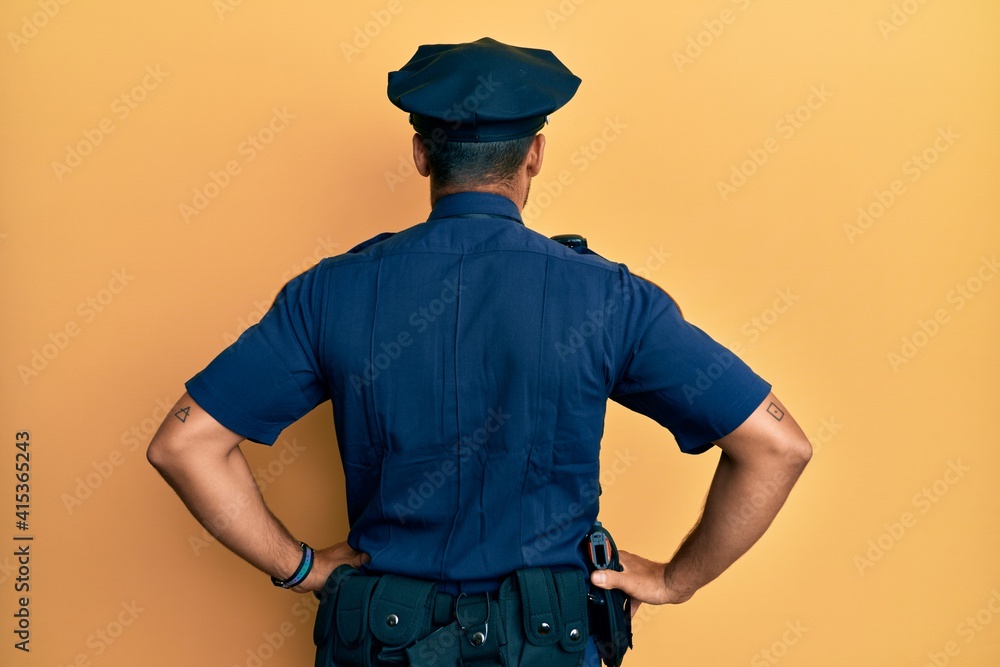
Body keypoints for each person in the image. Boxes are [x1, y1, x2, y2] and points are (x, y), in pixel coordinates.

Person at [147, 37, 812, 667]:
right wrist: (676, 578)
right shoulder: (607, 297)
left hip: (382, 643)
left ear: (419, 154)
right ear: (536, 155)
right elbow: (778, 446)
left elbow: (185, 444)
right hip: (548, 646)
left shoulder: (332, 293)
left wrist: (300, 567)